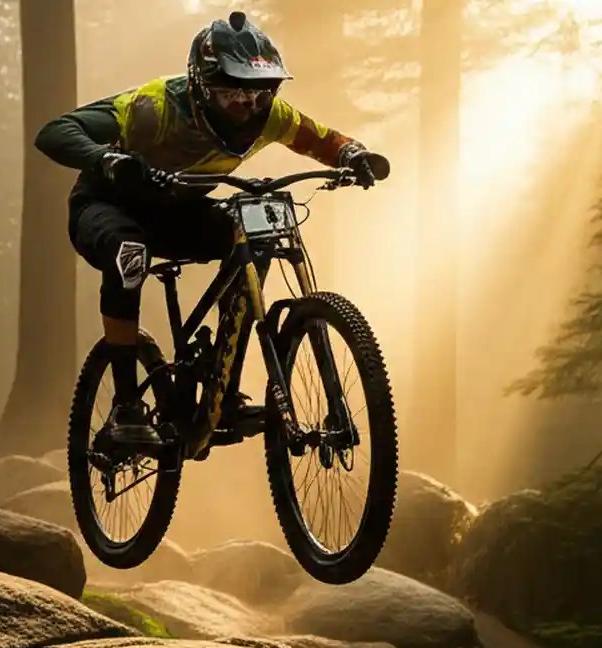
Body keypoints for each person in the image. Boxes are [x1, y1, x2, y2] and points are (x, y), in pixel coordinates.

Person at [34, 10, 390, 448]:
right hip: (107, 204)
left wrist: (354, 155)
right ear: (201, 87)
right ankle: (126, 404)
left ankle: (223, 388)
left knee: (250, 235)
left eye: (259, 93)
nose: (246, 105)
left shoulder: (271, 115)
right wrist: (108, 159)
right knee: (130, 253)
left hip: (176, 210)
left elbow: (321, 139)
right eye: (230, 93)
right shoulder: (155, 106)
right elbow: (56, 131)